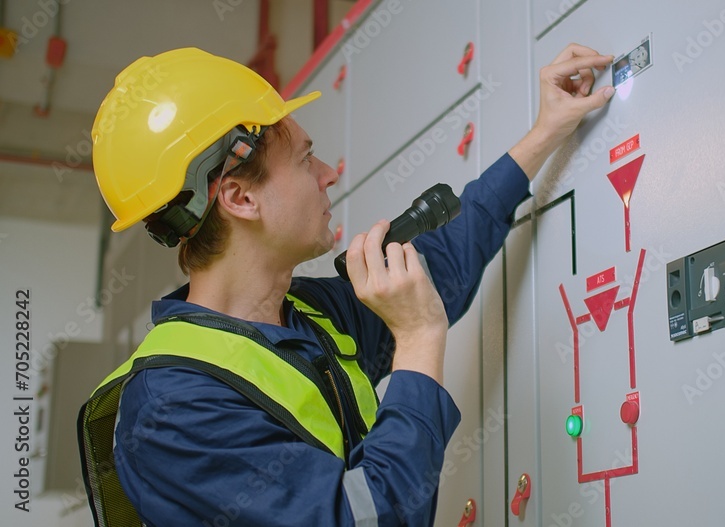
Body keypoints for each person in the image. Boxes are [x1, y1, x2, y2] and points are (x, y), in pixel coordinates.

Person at [79, 43, 615, 526]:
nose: (330, 173)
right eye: (305, 158)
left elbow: (445, 262)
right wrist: (419, 337)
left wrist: (547, 132)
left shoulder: (306, 317)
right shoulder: (173, 411)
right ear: (240, 198)